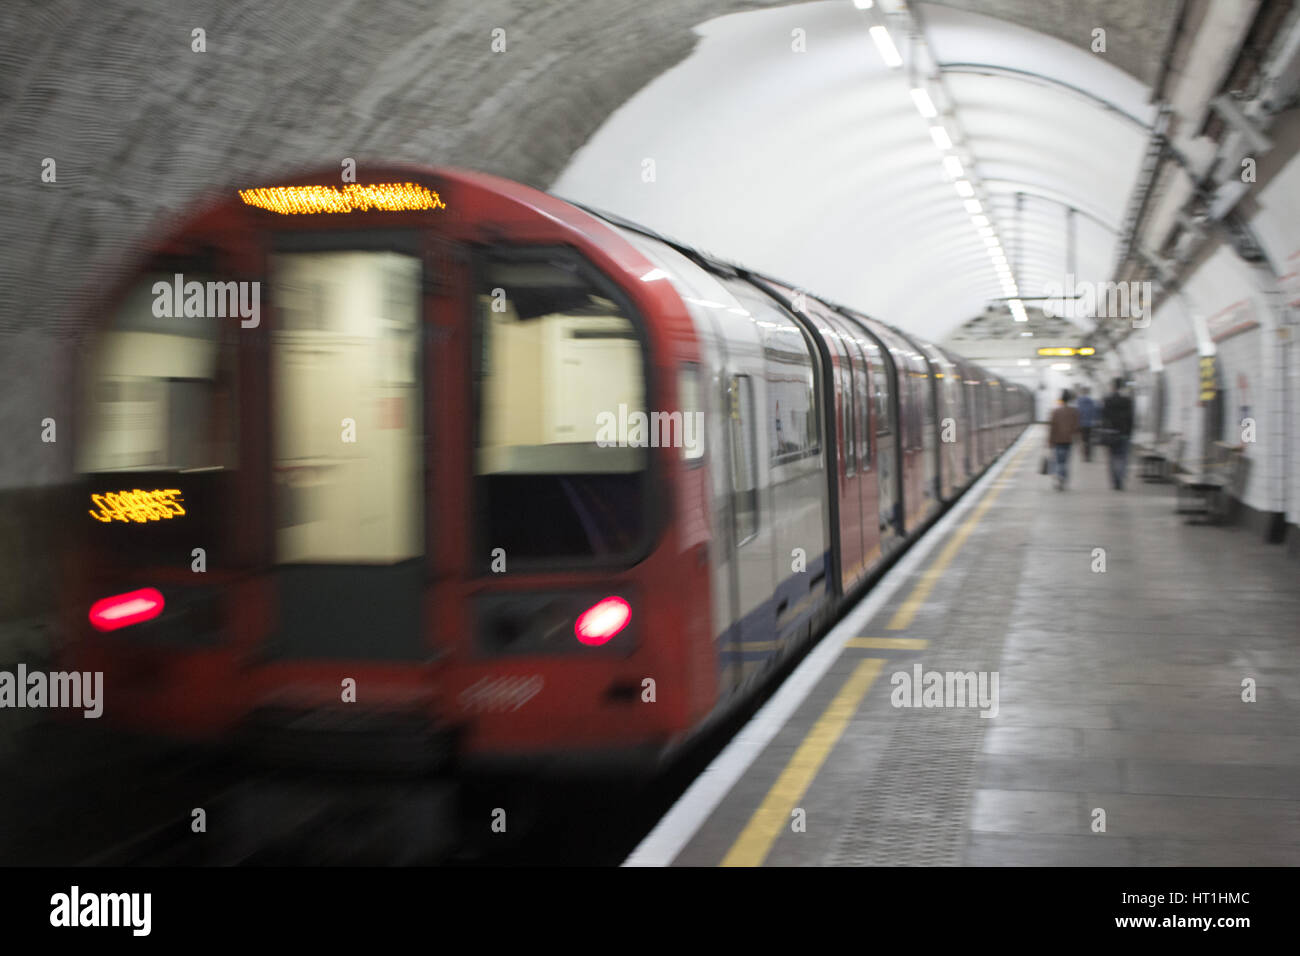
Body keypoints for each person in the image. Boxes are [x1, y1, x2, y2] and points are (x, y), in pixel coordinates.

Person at [1101, 377, 1135, 490]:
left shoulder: (1107, 400)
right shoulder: (1127, 400)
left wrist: (1105, 431)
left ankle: (1115, 479)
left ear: (1113, 387)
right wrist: (1130, 433)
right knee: (1123, 457)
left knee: (1112, 457)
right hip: (1124, 433)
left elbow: (1104, 418)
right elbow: (1131, 418)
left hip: (1111, 433)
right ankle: (1120, 477)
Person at [1047, 389, 1080, 491]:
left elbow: (1052, 427)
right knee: (1065, 461)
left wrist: (1050, 441)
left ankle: (1059, 476)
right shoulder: (1074, 411)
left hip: (1057, 440)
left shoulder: (1056, 412)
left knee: (1058, 461)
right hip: (1068, 441)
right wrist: (1076, 438)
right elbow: (1076, 427)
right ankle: (1063, 478)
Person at [1076, 386, 1098, 462]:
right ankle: (1088, 455)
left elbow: (1078, 412)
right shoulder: (1092, 401)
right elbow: (1094, 412)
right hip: (1090, 423)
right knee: (1089, 440)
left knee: (1083, 440)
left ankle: (1084, 455)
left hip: (1081, 423)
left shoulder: (1079, 401)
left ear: (1083, 392)